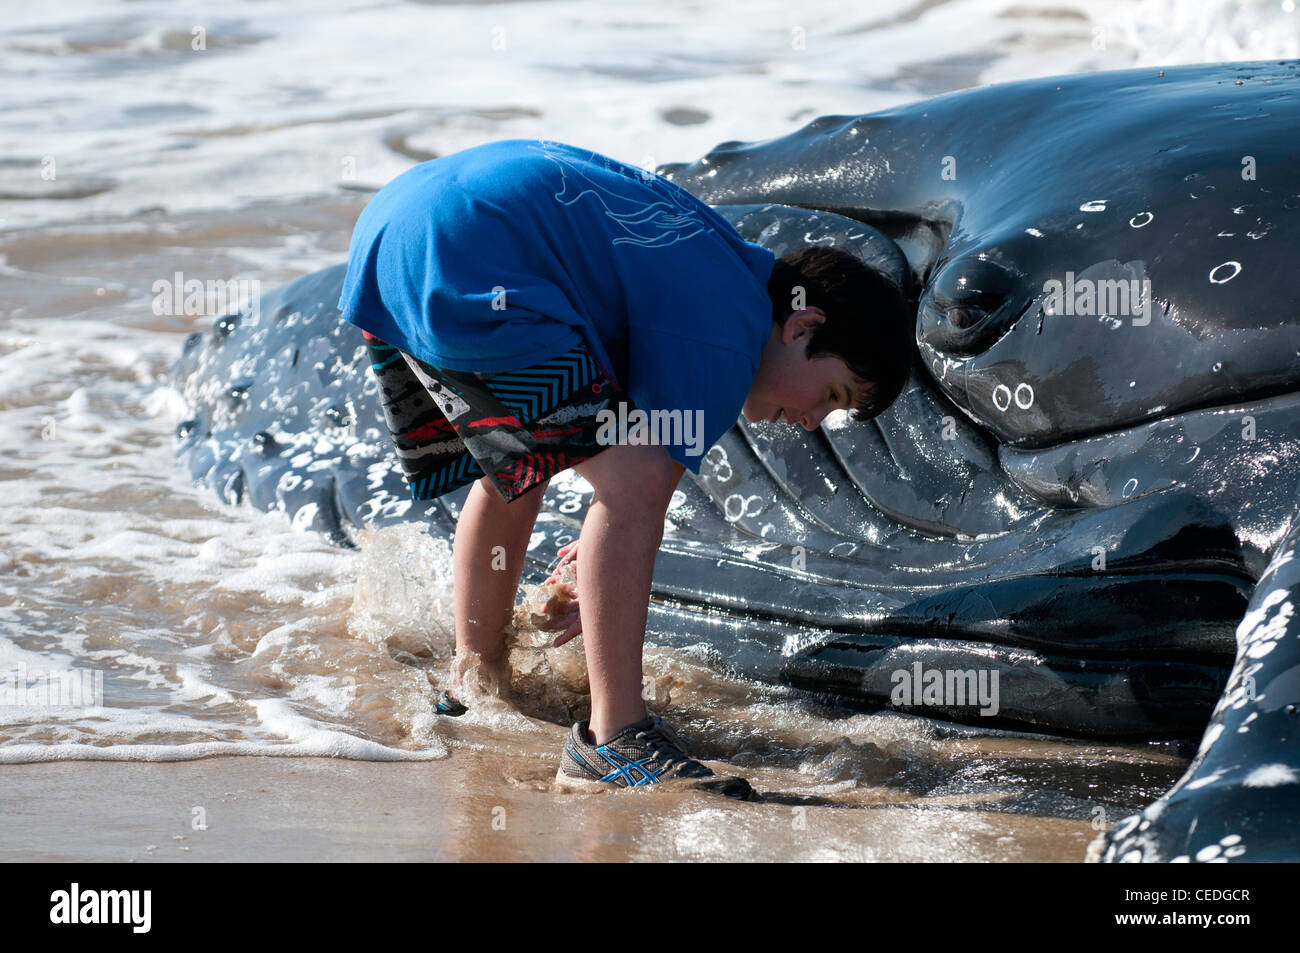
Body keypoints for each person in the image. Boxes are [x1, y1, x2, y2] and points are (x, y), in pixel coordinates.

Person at [337, 138, 912, 796]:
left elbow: (599, 448)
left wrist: (595, 559)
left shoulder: (717, 265)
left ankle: (473, 685)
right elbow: (636, 492)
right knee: (635, 486)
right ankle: (614, 738)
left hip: (402, 232)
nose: (813, 421)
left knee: (515, 473)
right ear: (803, 326)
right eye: (833, 396)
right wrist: (606, 548)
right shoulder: (731, 329)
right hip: (471, 259)